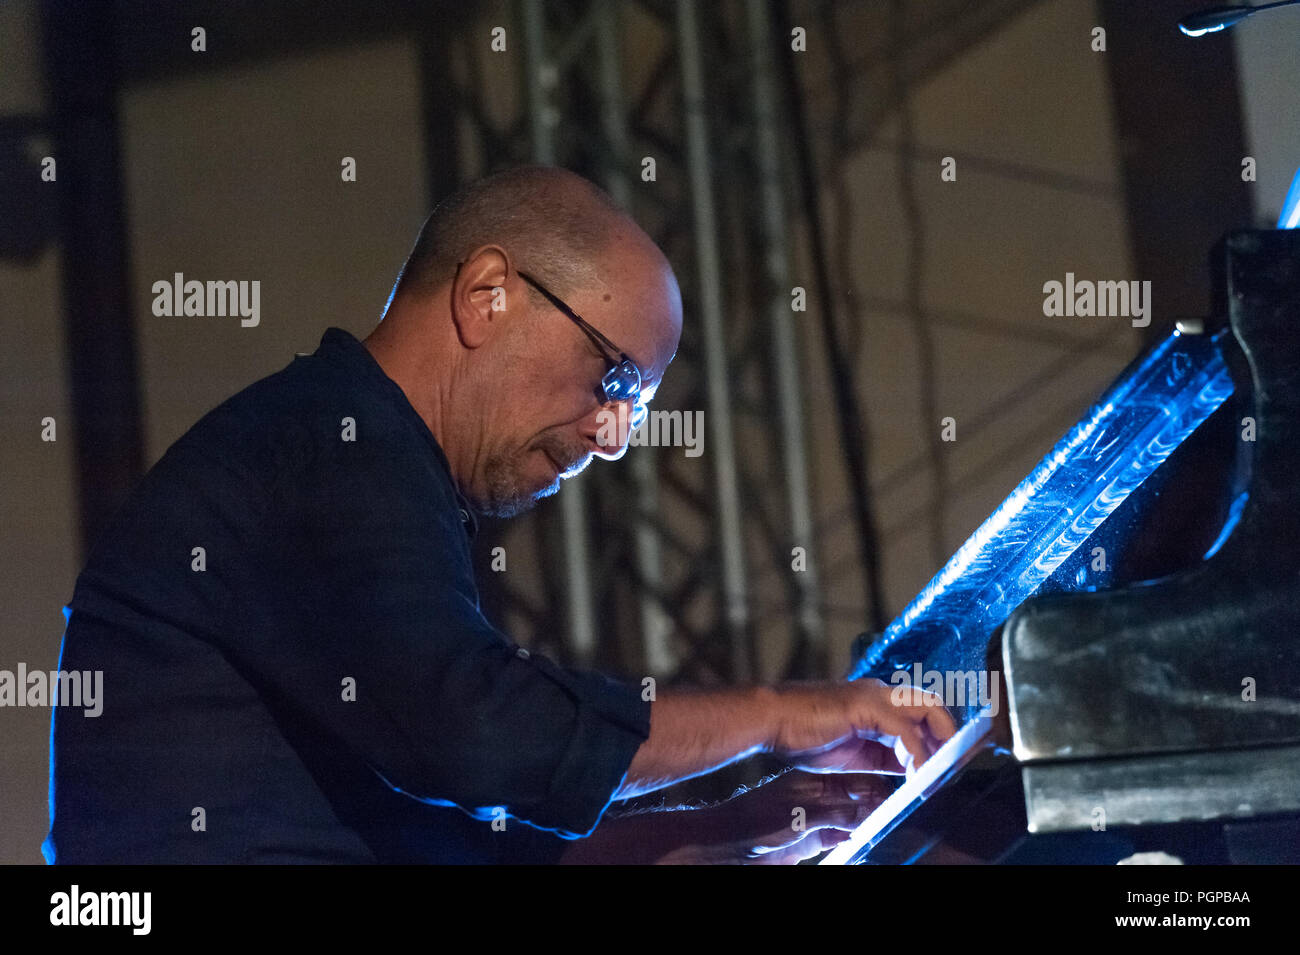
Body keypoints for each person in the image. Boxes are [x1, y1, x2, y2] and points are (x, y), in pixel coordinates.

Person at [45, 165, 954, 865]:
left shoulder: (362, 461)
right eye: (616, 379)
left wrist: (737, 821)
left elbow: (450, 832)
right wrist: (777, 711)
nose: (613, 436)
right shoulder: (330, 445)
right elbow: (481, 733)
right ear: (488, 294)